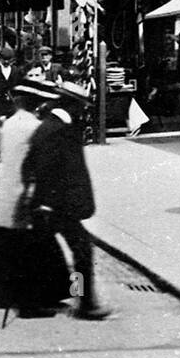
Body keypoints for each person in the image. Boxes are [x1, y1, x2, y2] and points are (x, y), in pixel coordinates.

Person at [0, 79, 74, 316]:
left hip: (8, 198)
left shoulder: (8, 124)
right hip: (25, 198)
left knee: (2, 250)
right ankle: (37, 301)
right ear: (37, 104)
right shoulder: (35, 127)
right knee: (35, 254)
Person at [20, 82, 114, 320]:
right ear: (71, 105)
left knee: (44, 254)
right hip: (55, 206)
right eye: (81, 106)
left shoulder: (55, 126)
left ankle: (37, 303)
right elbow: (44, 169)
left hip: (51, 205)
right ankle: (84, 302)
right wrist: (47, 202)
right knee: (80, 250)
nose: (83, 111)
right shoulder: (57, 130)